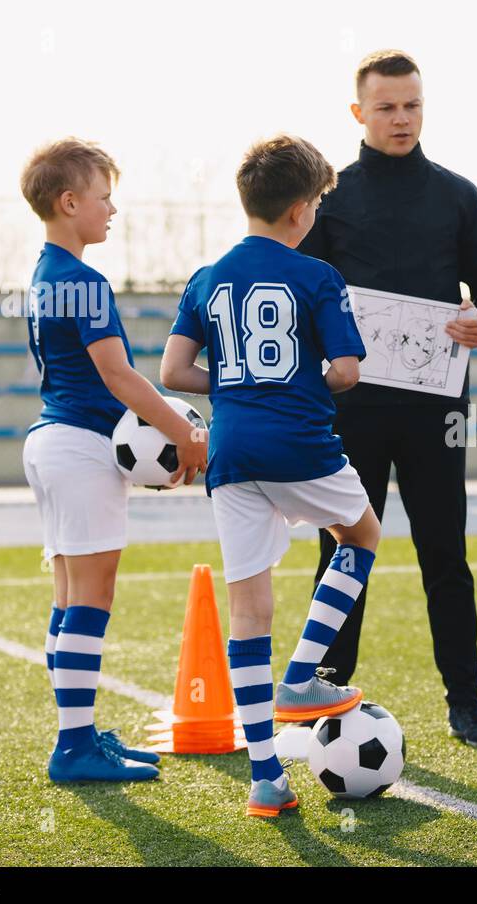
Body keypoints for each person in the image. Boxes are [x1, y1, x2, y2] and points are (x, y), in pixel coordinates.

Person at [297, 50, 477, 746]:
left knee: (444, 555)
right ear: (359, 112)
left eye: (412, 105)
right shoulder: (330, 197)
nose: (401, 118)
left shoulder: (457, 195)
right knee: (343, 552)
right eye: (387, 106)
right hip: (351, 408)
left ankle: (468, 703)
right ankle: (322, 692)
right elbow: (302, 283)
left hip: (435, 410)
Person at [162, 134, 381, 817]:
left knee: (249, 609)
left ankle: (265, 780)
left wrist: (234, 387)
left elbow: (172, 372)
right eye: (316, 201)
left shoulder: (207, 277)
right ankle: (299, 676)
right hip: (299, 443)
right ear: (298, 211)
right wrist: (299, 378)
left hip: (230, 452)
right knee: (363, 535)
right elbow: (347, 370)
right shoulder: (316, 276)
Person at [20, 138, 206, 783]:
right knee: (92, 597)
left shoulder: (44, 275)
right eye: (103, 198)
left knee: (70, 597)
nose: (112, 210)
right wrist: (183, 432)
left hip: (51, 442)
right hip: (78, 447)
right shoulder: (82, 279)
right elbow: (121, 377)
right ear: (69, 203)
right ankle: (73, 748)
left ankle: (77, 734)